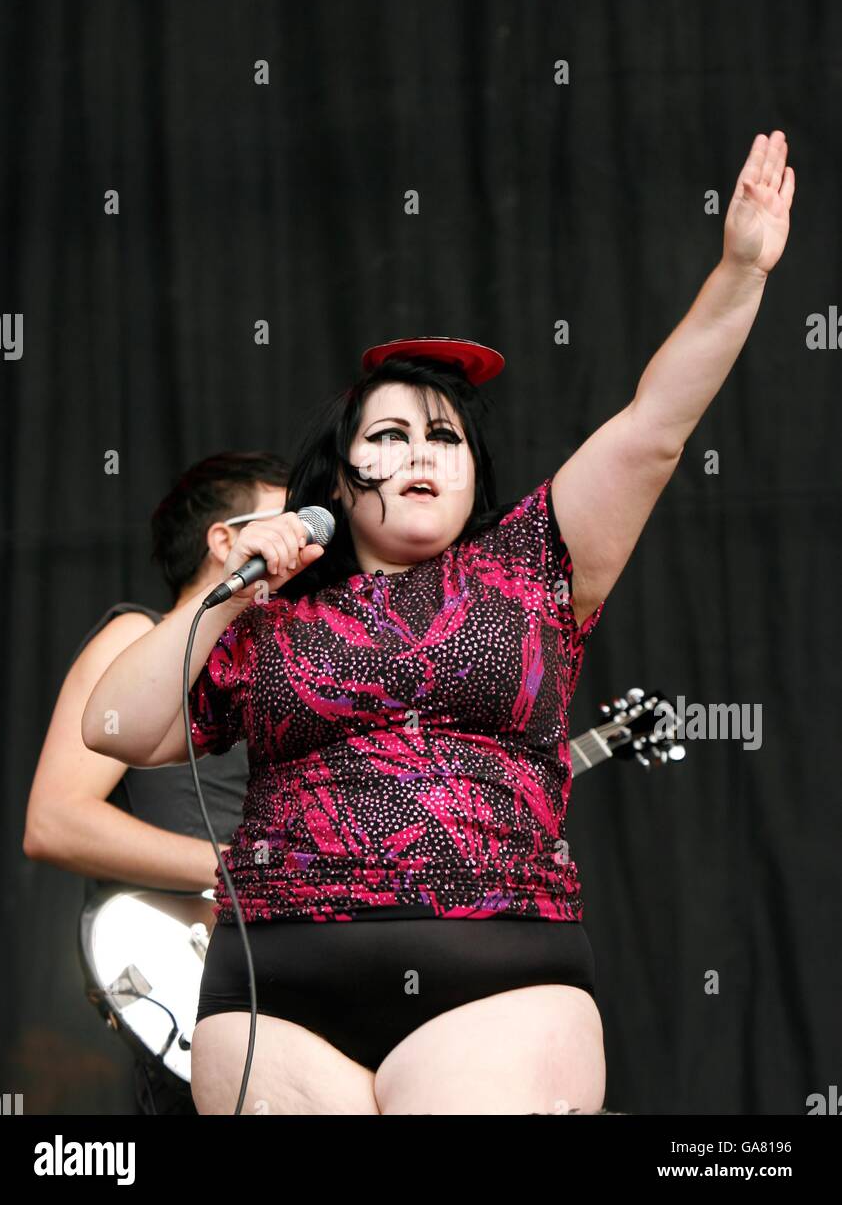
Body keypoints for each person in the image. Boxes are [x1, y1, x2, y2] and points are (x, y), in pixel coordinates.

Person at [82, 132, 795, 1115]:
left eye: (445, 435)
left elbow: (654, 427)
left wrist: (740, 272)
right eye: (389, 433)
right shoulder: (270, 607)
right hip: (270, 989)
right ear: (338, 477)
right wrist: (226, 583)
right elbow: (113, 730)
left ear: (471, 474)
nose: (422, 450)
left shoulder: (531, 564)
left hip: (493, 973)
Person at [24, 450, 291, 1114]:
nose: (302, 546)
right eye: (286, 524)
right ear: (226, 541)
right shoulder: (133, 639)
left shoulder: (283, 671)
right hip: (202, 980)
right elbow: (54, 821)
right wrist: (236, 869)